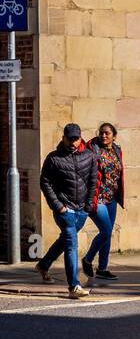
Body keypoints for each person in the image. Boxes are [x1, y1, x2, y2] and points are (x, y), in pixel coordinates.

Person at [36, 124, 97, 298]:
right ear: (63, 138)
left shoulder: (90, 157)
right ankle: (74, 287)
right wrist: (58, 206)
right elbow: (45, 183)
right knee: (71, 243)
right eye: (69, 138)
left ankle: (44, 265)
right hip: (64, 209)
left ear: (80, 138)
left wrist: (87, 207)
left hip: (82, 210)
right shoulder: (53, 158)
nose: (72, 142)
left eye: (75, 139)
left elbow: (92, 183)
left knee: (65, 240)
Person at [82, 122, 125, 280]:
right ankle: (87, 259)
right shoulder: (92, 149)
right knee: (106, 230)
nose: (103, 136)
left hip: (111, 198)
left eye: (107, 133)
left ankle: (102, 268)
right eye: (101, 133)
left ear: (114, 136)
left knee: (107, 234)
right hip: (97, 198)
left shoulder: (117, 150)